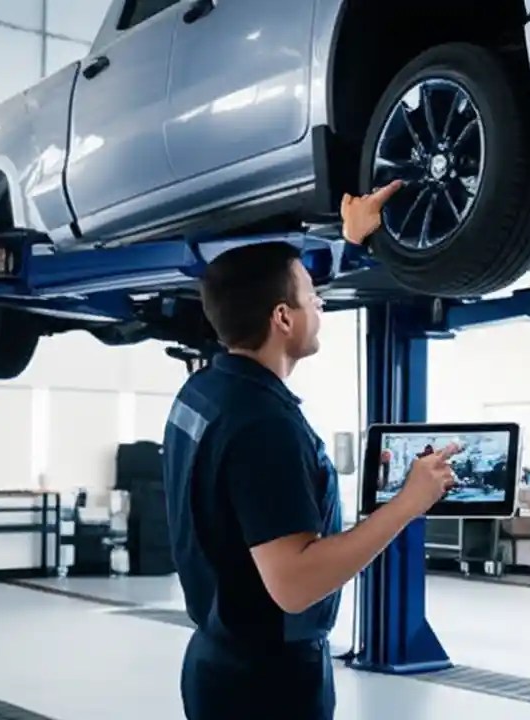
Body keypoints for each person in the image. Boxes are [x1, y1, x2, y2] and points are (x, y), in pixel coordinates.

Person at [161, 180, 453, 720]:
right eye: (310, 295)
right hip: (266, 688)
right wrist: (409, 503)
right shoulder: (262, 425)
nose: (321, 302)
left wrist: (352, 242)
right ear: (282, 318)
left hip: (218, 660)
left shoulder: (203, 391)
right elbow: (294, 585)